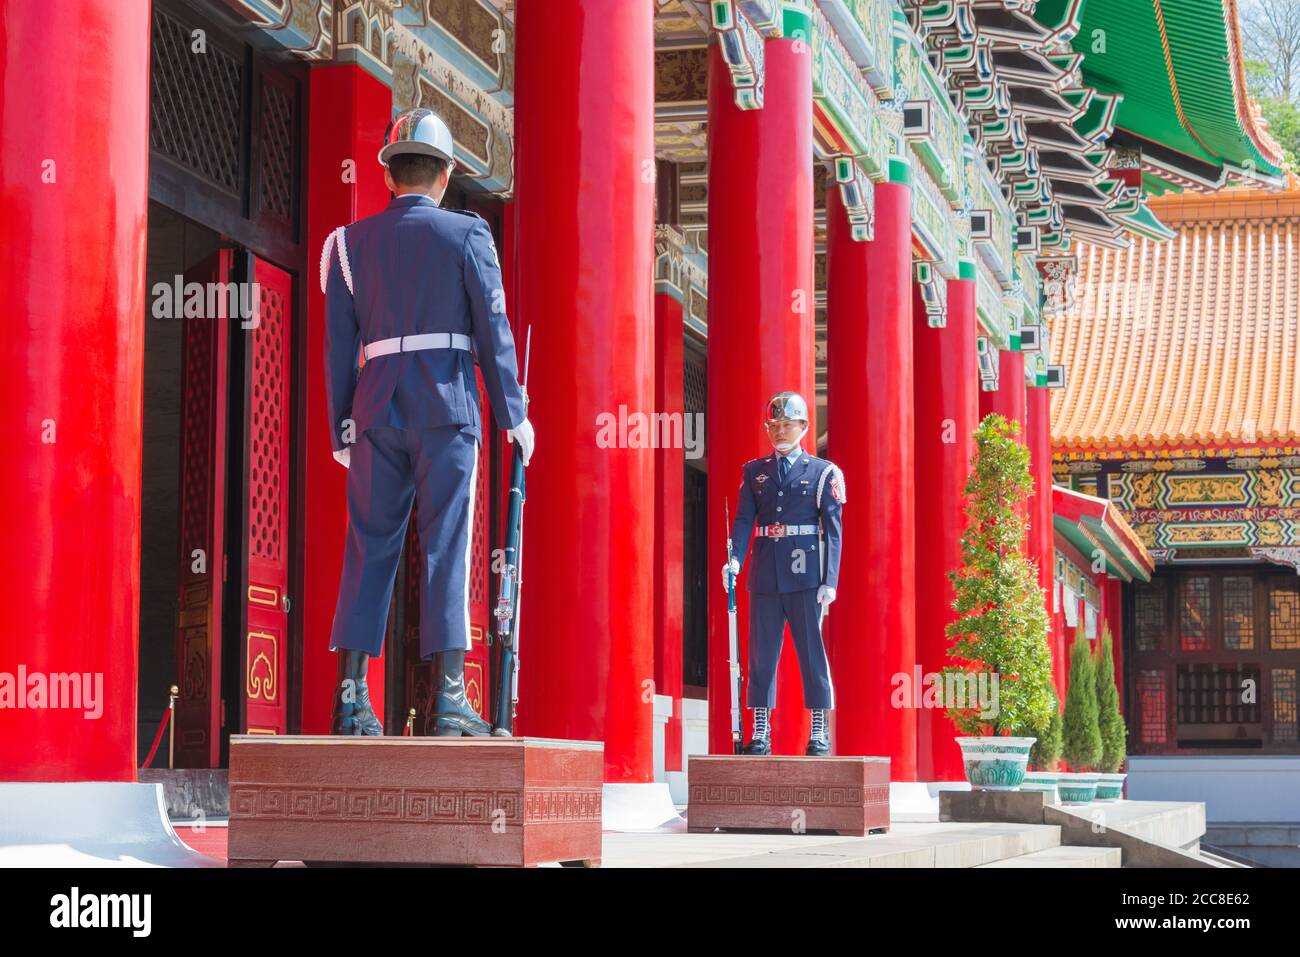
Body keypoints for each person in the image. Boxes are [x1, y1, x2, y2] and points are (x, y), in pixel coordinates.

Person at [321, 107, 533, 736]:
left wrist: (341, 429)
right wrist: (513, 414)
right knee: (447, 545)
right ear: (445, 176)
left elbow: (338, 349)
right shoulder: (468, 237)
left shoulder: (348, 245)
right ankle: (446, 699)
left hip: (376, 409)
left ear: (391, 177)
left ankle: (352, 698)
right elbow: (493, 334)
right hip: (446, 408)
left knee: (367, 546)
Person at [722, 392, 844, 755]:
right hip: (764, 572)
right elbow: (745, 520)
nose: (779, 431)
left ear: (804, 427)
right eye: (773, 425)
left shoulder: (822, 472)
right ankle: (760, 729)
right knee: (761, 655)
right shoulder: (755, 471)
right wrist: (736, 559)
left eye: (786, 424)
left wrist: (830, 581)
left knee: (811, 653)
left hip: (806, 573)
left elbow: (833, 530)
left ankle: (818, 729)